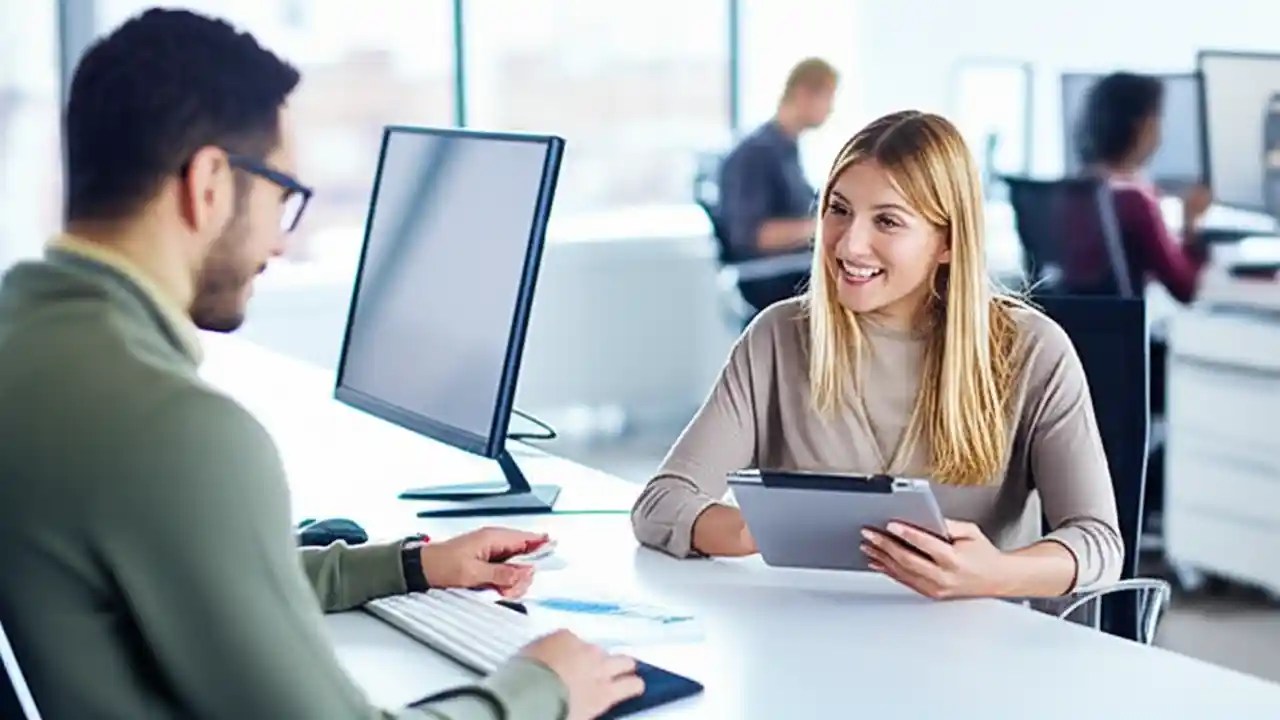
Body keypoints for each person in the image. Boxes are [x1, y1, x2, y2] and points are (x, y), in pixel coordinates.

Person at [0, 9, 640, 720]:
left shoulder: (24, 342)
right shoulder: (173, 430)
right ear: (209, 183)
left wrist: (409, 566)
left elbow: (206, 578)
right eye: (283, 196)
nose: (279, 238)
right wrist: (538, 689)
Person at [634, 110, 1123, 600]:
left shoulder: (1032, 351)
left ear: (948, 242)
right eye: (839, 209)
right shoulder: (779, 337)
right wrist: (764, 530)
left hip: (972, 646)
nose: (849, 243)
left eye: (887, 221)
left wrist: (994, 574)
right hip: (808, 640)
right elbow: (660, 503)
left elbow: (1098, 541)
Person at [1076, 71, 1213, 304]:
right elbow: (1184, 287)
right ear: (1143, 126)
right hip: (1125, 333)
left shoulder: (1078, 191)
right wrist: (1191, 223)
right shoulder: (1134, 200)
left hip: (1083, 331)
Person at [717, 57, 838, 313]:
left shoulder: (786, 149)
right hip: (772, 278)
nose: (831, 109)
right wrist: (821, 228)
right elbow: (752, 235)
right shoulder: (756, 154)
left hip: (793, 268)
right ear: (804, 93)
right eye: (828, 97)